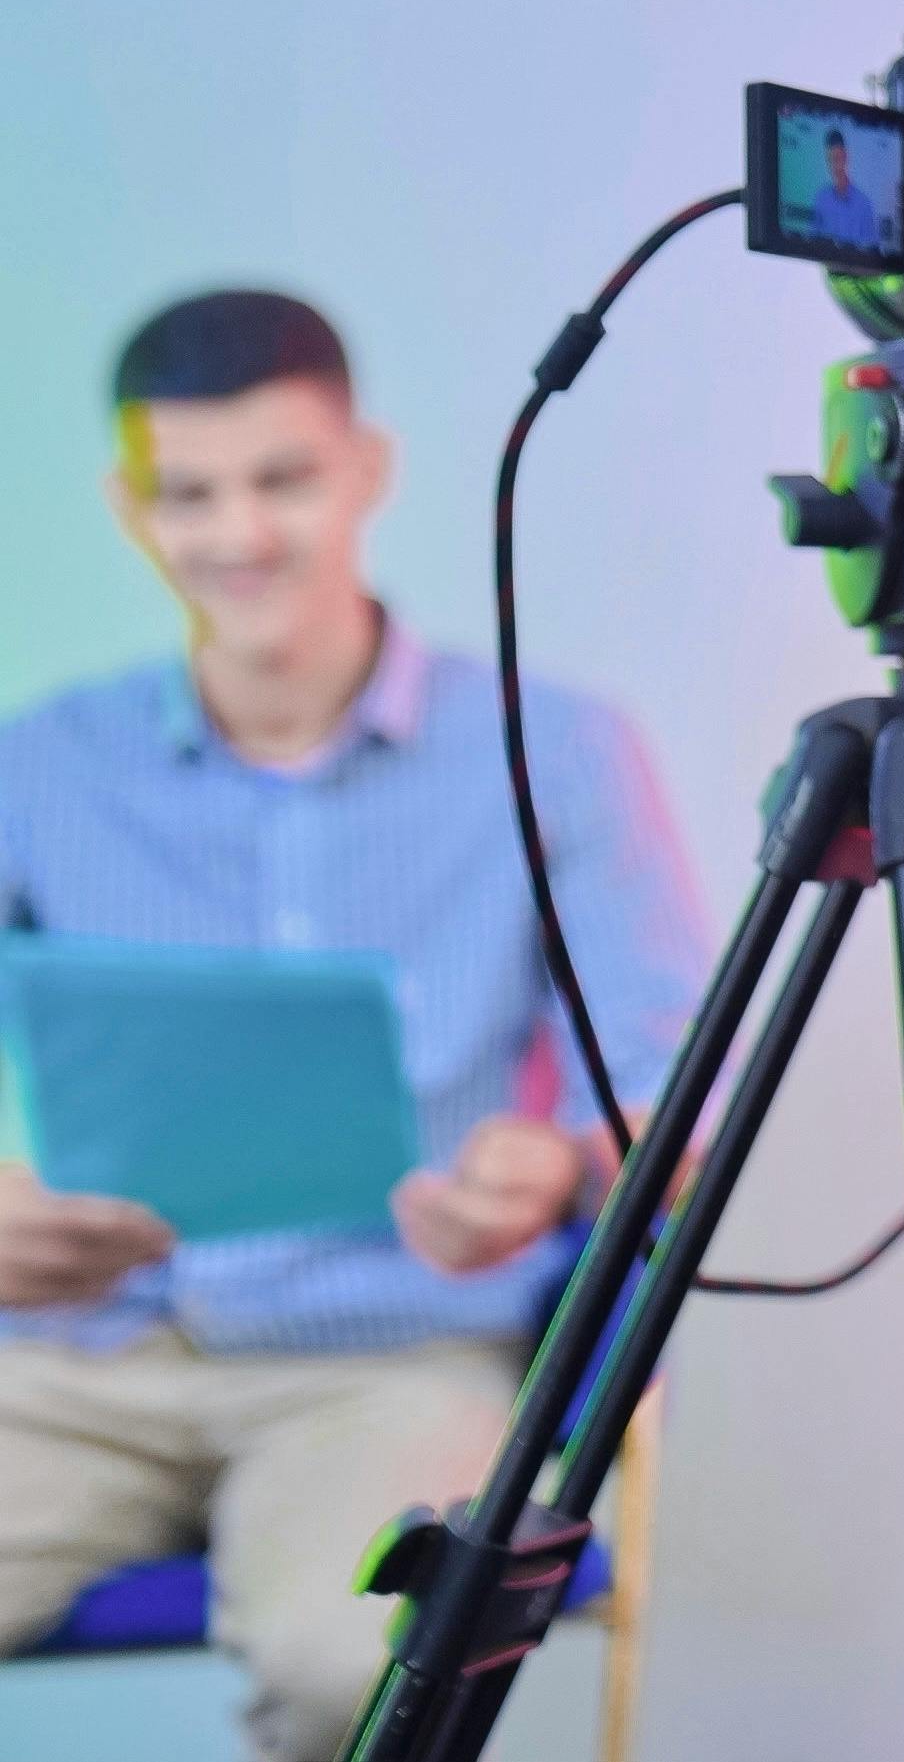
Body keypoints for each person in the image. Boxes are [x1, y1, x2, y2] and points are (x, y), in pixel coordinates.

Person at [0, 290, 708, 1762]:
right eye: (189, 493)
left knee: (360, 1671)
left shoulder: (555, 746)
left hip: (390, 1358)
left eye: (283, 479)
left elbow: (677, 1107)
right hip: (83, 1358)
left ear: (366, 468)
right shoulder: (41, 764)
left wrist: (565, 1171)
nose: (239, 534)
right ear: (129, 503)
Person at [808, 126, 882, 250]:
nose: (835, 166)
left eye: (838, 158)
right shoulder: (821, 199)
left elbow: (872, 250)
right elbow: (811, 243)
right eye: (830, 160)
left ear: (846, 157)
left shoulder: (864, 204)